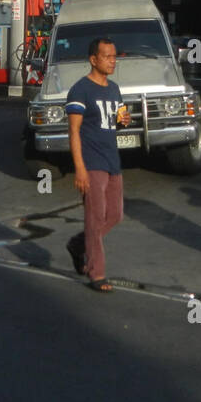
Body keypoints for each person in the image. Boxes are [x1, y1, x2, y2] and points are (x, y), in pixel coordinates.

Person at [64, 37, 131, 293]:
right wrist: (79, 168)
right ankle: (96, 273)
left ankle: (79, 244)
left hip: (112, 159)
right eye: (107, 56)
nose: (113, 61)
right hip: (91, 162)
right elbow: (73, 131)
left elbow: (112, 121)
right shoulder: (80, 90)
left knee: (115, 215)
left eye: (114, 56)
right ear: (93, 60)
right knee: (95, 218)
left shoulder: (113, 89)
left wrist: (122, 120)